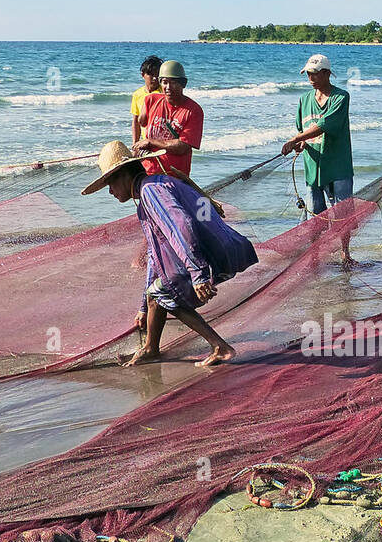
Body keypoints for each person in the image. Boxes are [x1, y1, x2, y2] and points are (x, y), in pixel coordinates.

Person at [82, 140, 257, 367]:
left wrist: (198, 274)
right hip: (220, 248)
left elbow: (181, 226)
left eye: (111, 181)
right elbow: (156, 257)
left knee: (161, 292)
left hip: (214, 254)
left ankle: (219, 347)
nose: (110, 190)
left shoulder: (150, 191)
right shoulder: (153, 186)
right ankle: (151, 349)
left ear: (125, 174)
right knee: (157, 289)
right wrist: (143, 307)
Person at [282, 54, 353, 215]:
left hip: (337, 168)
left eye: (314, 73)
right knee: (314, 218)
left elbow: (323, 125)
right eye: (308, 74)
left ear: (327, 73)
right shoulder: (304, 100)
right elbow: (302, 130)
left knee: (342, 217)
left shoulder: (341, 98)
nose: (310, 77)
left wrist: (295, 139)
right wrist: (301, 142)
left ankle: (344, 242)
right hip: (312, 169)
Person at [134, 60, 204, 177]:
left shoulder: (193, 111)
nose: (168, 87)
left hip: (174, 175)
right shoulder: (151, 100)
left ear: (184, 84)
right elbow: (141, 122)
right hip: (146, 171)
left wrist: (151, 141)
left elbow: (182, 147)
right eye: (165, 82)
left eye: (174, 83)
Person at [131, 55, 163, 148]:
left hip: (162, 141)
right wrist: (135, 144)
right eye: (151, 74)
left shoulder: (164, 93)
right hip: (146, 142)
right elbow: (136, 122)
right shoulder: (137, 94)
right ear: (143, 75)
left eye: (157, 75)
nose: (155, 78)